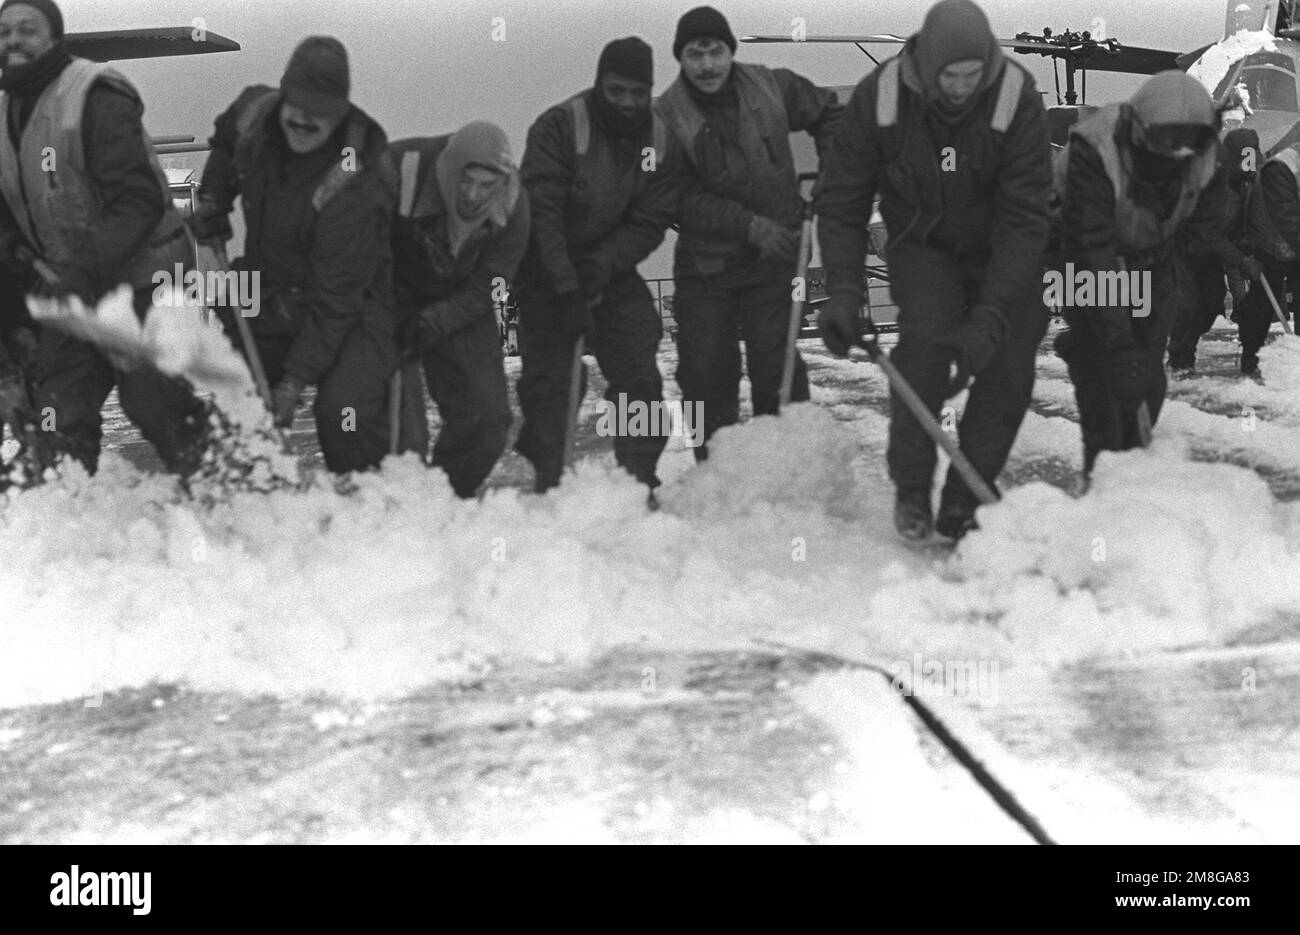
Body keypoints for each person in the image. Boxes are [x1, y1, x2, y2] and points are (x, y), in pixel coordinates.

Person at [816, 0, 1051, 541]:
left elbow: (1025, 217)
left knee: (1009, 365)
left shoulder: (1016, 94)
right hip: (923, 247)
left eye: (975, 75)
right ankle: (913, 489)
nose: (964, 86)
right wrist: (845, 292)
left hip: (1002, 249)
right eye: (952, 75)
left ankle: (965, 501)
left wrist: (991, 315)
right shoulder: (881, 97)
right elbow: (843, 201)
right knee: (924, 349)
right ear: (929, 66)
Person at [0, 0, 209, 479]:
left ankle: (233, 497)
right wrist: (14, 251)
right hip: (70, 287)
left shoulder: (93, 96)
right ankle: (67, 534)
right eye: (4, 31)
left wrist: (79, 270)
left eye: (27, 30)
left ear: (55, 38)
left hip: (142, 279)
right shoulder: (5, 111)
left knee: (155, 403)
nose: (12, 40)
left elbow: (138, 200)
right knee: (59, 414)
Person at [192, 35, 399, 474]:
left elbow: (336, 300)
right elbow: (227, 147)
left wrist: (293, 382)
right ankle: (246, 504)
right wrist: (212, 200)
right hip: (267, 287)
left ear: (341, 112)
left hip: (351, 305)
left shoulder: (357, 180)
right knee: (241, 406)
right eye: (299, 105)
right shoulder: (253, 114)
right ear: (283, 94)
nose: (306, 120)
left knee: (345, 415)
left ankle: (362, 506)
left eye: (321, 113)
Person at [658, 5, 842, 460]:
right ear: (680, 58)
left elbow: (830, 113)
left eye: (715, 51)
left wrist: (832, 171)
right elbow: (677, 196)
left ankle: (787, 468)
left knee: (775, 368)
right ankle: (717, 474)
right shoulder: (665, 116)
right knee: (704, 373)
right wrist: (749, 226)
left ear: (729, 51)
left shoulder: (772, 86)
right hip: (705, 268)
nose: (706, 65)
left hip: (774, 261)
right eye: (694, 54)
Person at [513, 36, 677, 499]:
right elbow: (540, 213)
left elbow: (651, 219)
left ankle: (638, 479)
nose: (627, 103)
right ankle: (551, 481)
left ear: (649, 91)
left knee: (638, 373)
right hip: (546, 272)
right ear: (599, 84)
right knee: (551, 382)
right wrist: (566, 288)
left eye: (637, 93)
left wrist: (601, 265)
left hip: (610, 268)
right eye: (616, 90)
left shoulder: (661, 140)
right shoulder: (561, 126)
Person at [1052, 70, 1228, 480]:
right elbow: (1091, 248)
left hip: (1153, 257)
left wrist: (1156, 288)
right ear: (1139, 131)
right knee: (1105, 371)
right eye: (1168, 140)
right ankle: (1104, 478)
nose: (1180, 153)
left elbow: (1198, 231)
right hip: (1079, 254)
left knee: (1145, 379)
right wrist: (1116, 341)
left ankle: (1134, 477)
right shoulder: (1094, 150)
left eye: (1192, 141)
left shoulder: (1205, 159)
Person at [389, 120, 529, 498]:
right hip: (389, 293)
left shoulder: (514, 208)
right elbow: (355, 245)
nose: (472, 195)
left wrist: (433, 323)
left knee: (488, 420)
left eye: (487, 186)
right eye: (465, 181)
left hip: (461, 300)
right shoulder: (401, 168)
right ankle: (394, 517)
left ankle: (444, 502)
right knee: (402, 433)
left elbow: (490, 284)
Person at [1166, 127, 1262, 377]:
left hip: (1208, 254)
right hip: (1182, 248)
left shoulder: (1243, 182)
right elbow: (1209, 233)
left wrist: (1244, 244)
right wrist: (1240, 260)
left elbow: (1236, 224)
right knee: (1189, 306)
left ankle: (1182, 346)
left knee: (1210, 305)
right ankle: (1180, 360)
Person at [1238, 134, 1300, 379]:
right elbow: (1286, 219)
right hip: (1272, 242)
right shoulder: (1282, 168)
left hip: (1291, 239)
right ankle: (1250, 358)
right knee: (1262, 303)